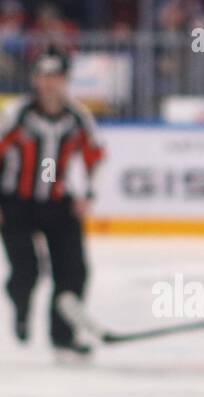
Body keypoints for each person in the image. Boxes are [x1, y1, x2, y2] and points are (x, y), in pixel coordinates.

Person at [0, 46, 102, 359]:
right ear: (35, 79)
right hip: (16, 202)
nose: (48, 84)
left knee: (74, 271)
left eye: (55, 77)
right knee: (27, 269)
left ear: (65, 80)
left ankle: (63, 336)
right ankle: (21, 308)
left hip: (58, 204)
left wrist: (86, 194)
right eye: (43, 76)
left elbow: (92, 157)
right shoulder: (17, 114)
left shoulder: (78, 117)